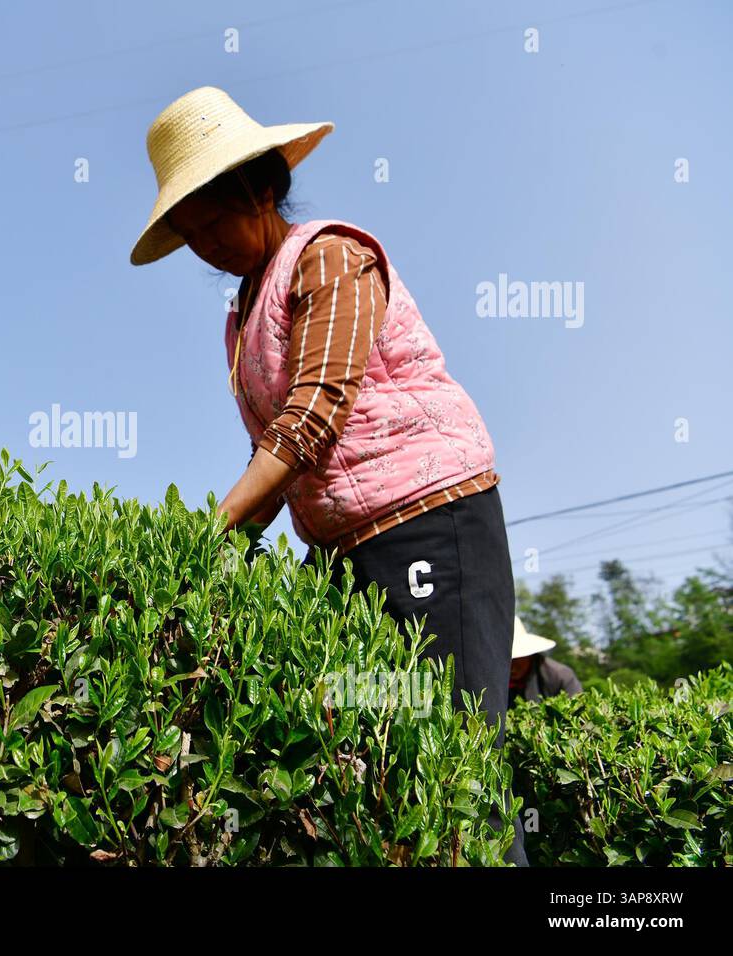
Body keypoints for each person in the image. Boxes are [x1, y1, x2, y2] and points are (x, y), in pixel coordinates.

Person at [130, 87, 526, 864]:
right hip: (344, 554)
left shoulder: (330, 256)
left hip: (428, 523)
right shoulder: (241, 319)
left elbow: (313, 413)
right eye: (191, 233)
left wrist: (212, 530)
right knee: (383, 763)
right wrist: (209, 563)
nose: (207, 243)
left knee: (458, 761)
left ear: (263, 189)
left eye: (215, 218)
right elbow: (273, 457)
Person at [509, 617, 584, 706]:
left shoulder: (560, 676)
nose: (511, 666)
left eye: (516, 659)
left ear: (529, 655)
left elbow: (578, 709)